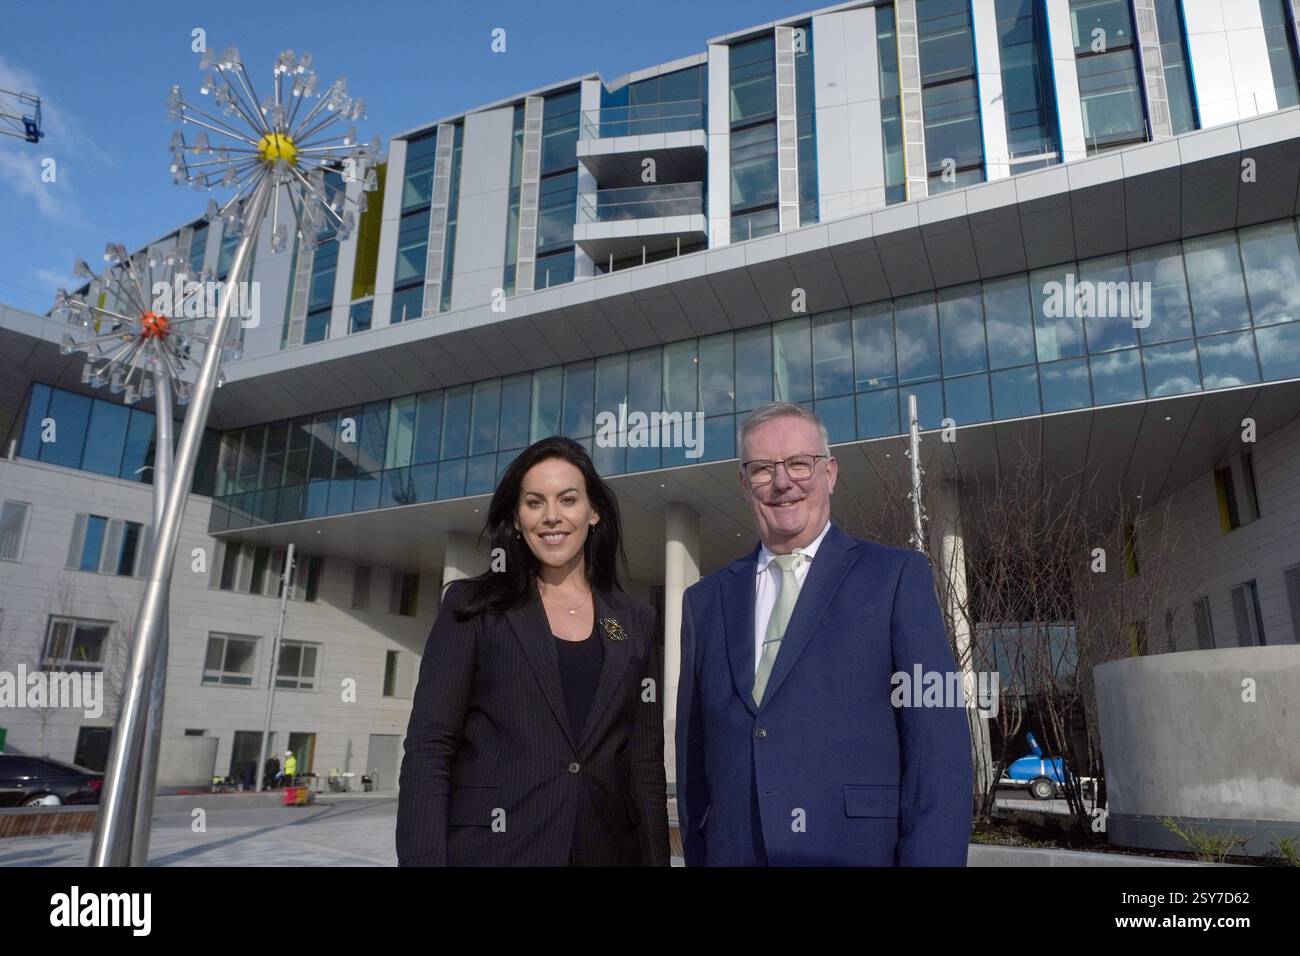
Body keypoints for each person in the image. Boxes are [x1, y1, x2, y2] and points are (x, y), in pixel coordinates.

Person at [675, 402, 973, 866]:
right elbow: (694, 765)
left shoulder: (897, 577)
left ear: (830, 472)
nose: (781, 482)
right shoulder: (704, 602)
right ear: (743, 483)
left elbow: (940, 755)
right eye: (761, 469)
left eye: (799, 463)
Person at [397, 436, 670, 866]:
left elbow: (645, 767)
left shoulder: (635, 622)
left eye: (568, 499)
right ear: (517, 516)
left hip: (608, 851)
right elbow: (429, 750)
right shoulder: (473, 608)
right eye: (534, 502)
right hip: (496, 850)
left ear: (593, 511)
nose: (552, 517)